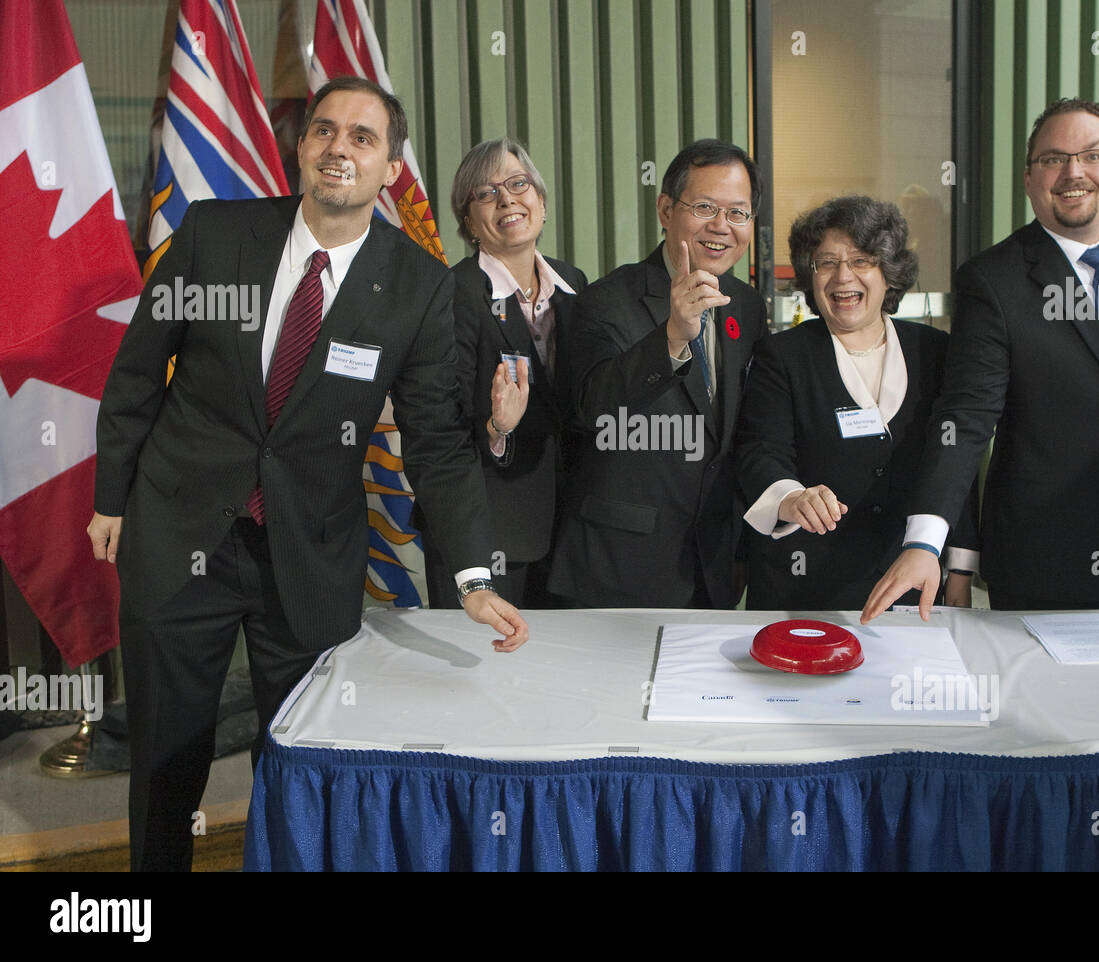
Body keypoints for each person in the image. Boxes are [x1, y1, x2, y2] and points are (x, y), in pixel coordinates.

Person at [87, 76, 528, 871]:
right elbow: (137, 373)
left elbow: (434, 442)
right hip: (179, 531)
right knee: (165, 759)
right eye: (324, 131)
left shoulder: (419, 287)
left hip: (309, 553)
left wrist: (469, 574)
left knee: (300, 762)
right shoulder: (214, 234)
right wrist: (109, 498)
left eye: (362, 137)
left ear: (390, 166)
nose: (339, 148)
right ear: (301, 148)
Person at [863, 98, 1099, 621]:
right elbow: (967, 416)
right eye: (1052, 159)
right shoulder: (993, 281)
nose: (1073, 172)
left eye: (1092, 155)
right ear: (1029, 180)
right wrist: (925, 541)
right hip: (1049, 559)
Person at [548, 140, 767, 607]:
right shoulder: (605, 300)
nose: (720, 227)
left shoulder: (747, 306)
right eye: (705, 207)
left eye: (738, 213)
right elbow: (592, 411)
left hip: (714, 566)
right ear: (665, 209)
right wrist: (671, 336)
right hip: (620, 569)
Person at [736, 196, 977, 610]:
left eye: (863, 260)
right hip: (807, 586)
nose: (842, 277)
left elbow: (956, 465)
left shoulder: (936, 352)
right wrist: (791, 497)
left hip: (912, 586)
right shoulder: (783, 356)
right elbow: (760, 450)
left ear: (889, 272)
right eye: (826, 263)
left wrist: (960, 569)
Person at [416, 138, 586, 608]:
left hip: (565, 529)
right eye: (486, 193)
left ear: (542, 203)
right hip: (482, 530)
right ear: (469, 222)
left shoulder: (575, 285)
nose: (508, 199)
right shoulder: (452, 293)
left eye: (518, 184)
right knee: (485, 675)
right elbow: (437, 426)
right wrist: (496, 428)